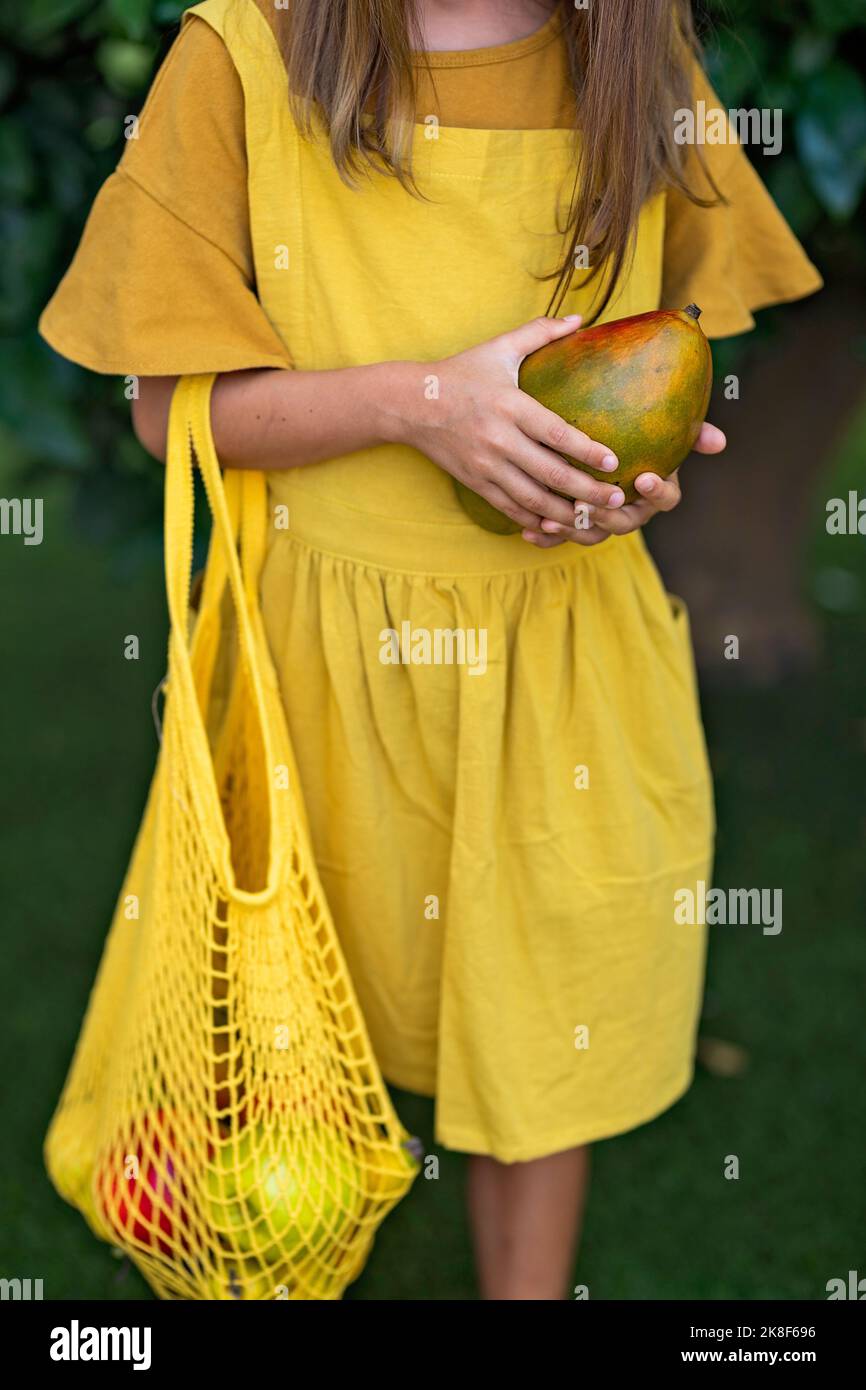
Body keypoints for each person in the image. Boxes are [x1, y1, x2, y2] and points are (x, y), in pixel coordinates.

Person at [39, 0, 822, 1299]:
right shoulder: (240, 52)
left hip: (563, 666)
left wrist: (632, 481)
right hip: (323, 662)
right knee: (283, 1035)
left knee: (541, 1032)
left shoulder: (635, 62)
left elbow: (669, 363)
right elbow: (159, 404)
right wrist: (423, 405)